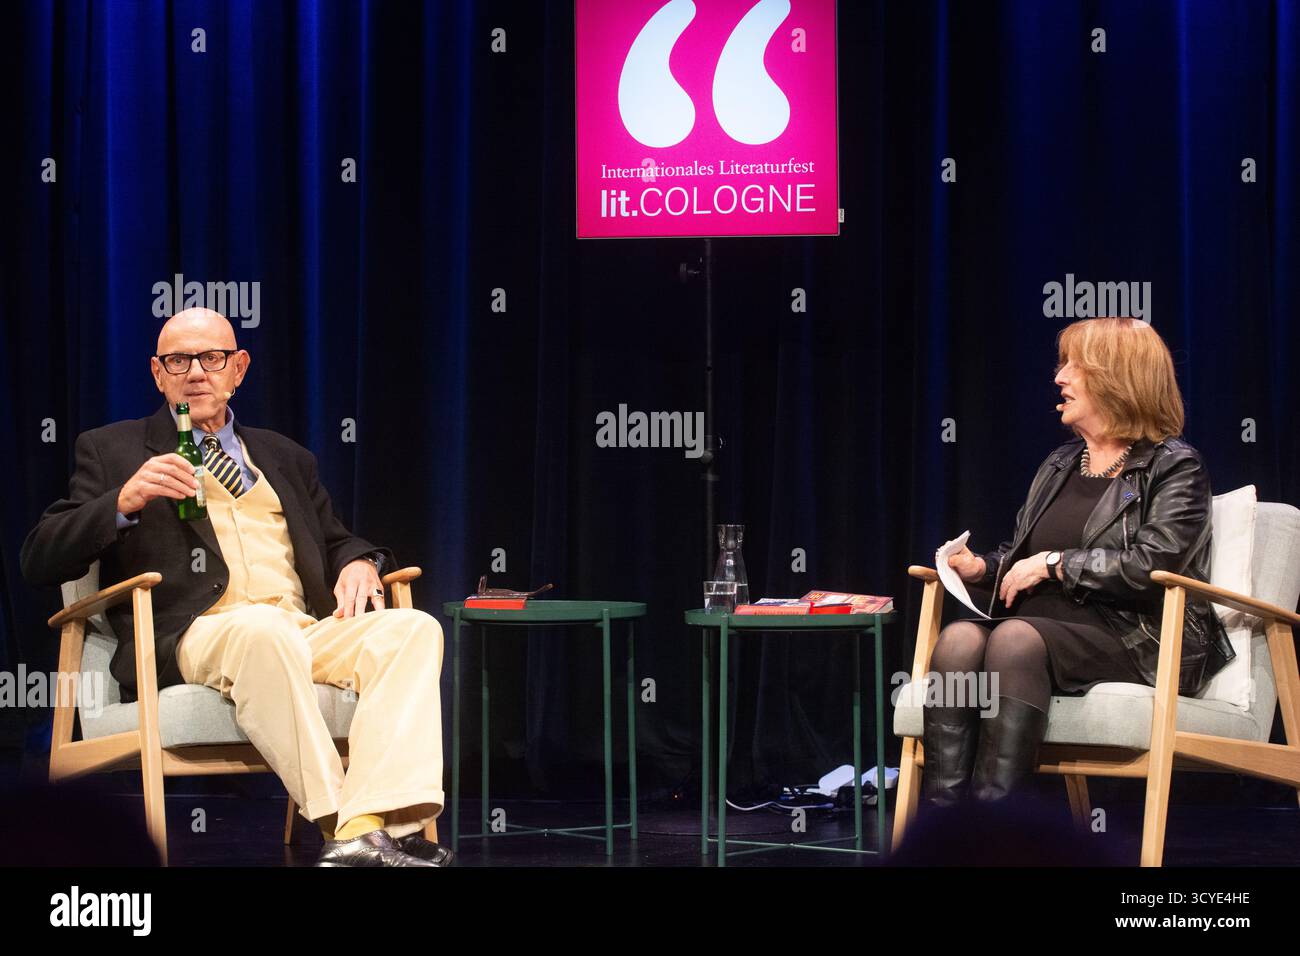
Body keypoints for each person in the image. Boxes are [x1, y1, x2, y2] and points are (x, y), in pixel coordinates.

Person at [21, 307, 451, 867]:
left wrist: (361, 562)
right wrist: (121, 503)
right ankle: (340, 823)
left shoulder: (284, 456)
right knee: (261, 630)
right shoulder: (114, 449)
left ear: (238, 368)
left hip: (301, 628)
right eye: (179, 360)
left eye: (212, 358)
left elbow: (334, 539)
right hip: (196, 633)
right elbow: (38, 556)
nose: (196, 371)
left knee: (412, 629)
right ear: (157, 373)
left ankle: (369, 824)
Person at [930, 317, 1235, 807]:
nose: (1059, 377)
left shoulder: (1175, 465)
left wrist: (1054, 563)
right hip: (1044, 627)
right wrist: (983, 569)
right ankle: (943, 825)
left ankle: (993, 830)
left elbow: (1151, 565)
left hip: (1137, 636)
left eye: (1075, 366)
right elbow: (1020, 558)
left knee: (1012, 638)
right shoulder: (1059, 464)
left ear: (1117, 377)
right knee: (960, 638)